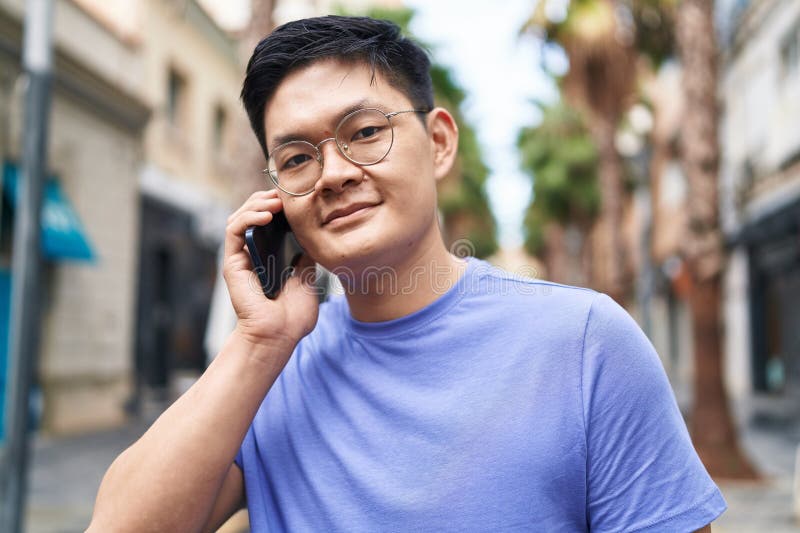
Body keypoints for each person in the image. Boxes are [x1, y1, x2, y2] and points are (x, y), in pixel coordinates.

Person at [89, 15, 726, 532]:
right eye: (296, 157)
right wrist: (259, 342)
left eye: (365, 132)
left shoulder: (586, 342)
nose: (333, 173)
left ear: (440, 143)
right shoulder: (271, 370)